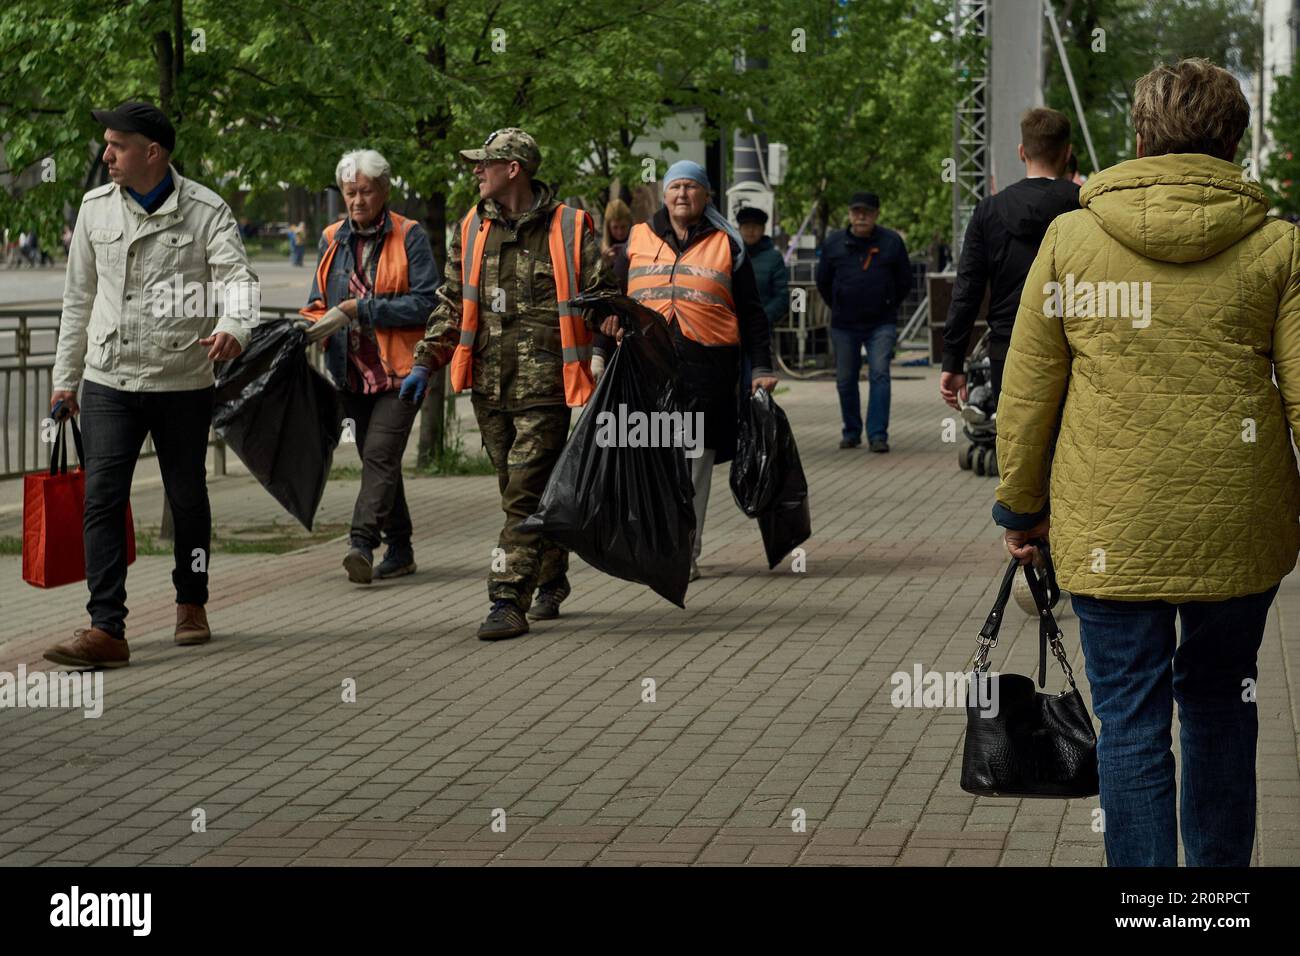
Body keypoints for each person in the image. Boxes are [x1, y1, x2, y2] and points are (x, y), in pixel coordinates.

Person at [994, 58, 1300, 867]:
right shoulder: (1278, 244)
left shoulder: (1072, 238)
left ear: (1138, 134)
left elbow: (1027, 394)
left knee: (1129, 722)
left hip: (1108, 523)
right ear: (1234, 137)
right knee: (1222, 706)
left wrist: (1020, 509)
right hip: (1240, 523)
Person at [44, 101, 258, 668]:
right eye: (107, 143)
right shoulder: (95, 210)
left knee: (187, 496)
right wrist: (65, 380)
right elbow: (77, 301)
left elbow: (238, 279)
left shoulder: (206, 210)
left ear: (153, 153)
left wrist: (235, 326)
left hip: (182, 378)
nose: (106, 154)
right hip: (109, 377)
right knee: (103, 497)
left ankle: (192, 601)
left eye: (117, 144)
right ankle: (106, 627)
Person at [400, 128, 615, 640]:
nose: (476, 171)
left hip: (547, 384)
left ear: (513, 168)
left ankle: (505, 599)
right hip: (489, 386)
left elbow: (600, 295)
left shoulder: (569, 226)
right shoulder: (472, 227)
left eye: (484, 163)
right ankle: (552, 575)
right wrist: (425, 362)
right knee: (519, 494)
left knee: (522, 492)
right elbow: (452, 301)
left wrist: (614, 332)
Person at [601, 160, 777, 581]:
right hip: (648, 370)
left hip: (707, 373)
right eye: (675, 186)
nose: (682, 194)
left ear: (706, 196)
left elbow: (752, 313)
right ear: (664, 194)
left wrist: (762, 367)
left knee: (695, 462)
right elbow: (611, 301)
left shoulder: (727, 245)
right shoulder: (637, 241)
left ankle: (685, 550)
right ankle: (656, 543)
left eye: (691, 187)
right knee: (656, 460)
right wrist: (599, 351)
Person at [300, 150, 438, 585]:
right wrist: (309, 328)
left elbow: (428, 302)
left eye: (366, 191)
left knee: (378, 455)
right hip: (350, 373)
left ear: (384, 191)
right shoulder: (330, 238)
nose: (357, 200)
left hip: (400, 372)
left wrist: (362, 309)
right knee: (378, 458)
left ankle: (361, 543)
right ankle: (401, 548)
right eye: (350, 192)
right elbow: (318, 303)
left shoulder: (409, 235)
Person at [940, 107, 1079, 410]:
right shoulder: (1083, 205)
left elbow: (967, 291)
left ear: (1021, 152)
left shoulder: (988, 212)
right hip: (1072, 348)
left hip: (1009, 348)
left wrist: (953, 360)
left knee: (1014, 446)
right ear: (1067, 153)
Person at [816, 191, 912, 451]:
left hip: (881, 323)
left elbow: (905, 280)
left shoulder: (891, 242)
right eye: (857, 212)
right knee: (846, 379)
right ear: (849, 215)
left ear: (876, 215)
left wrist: (889, 303)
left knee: (880, 374)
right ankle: (851, 431)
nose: (861, 217)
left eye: (867, 212)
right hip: (844, 324)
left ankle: (878, 434)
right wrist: (838, 303)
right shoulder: (834, 243)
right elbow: (822, 280)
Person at [736, 206, 789, 392]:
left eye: (755, 226)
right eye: (746, 226)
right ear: (739, 228)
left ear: (763, 229)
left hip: (760, 329)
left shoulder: (773, 257)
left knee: (757, 380)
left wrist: (762, 319)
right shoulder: (732, 253)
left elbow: (782, 295)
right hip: (730, 328)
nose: (751, 231)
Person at [591, 198, 633, 381]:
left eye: (623, 227)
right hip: (607, 324)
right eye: (615, 228)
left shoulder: (637, 244)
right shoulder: (598, 249)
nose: (620, 233)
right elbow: (594, 289)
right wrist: (604, 265)